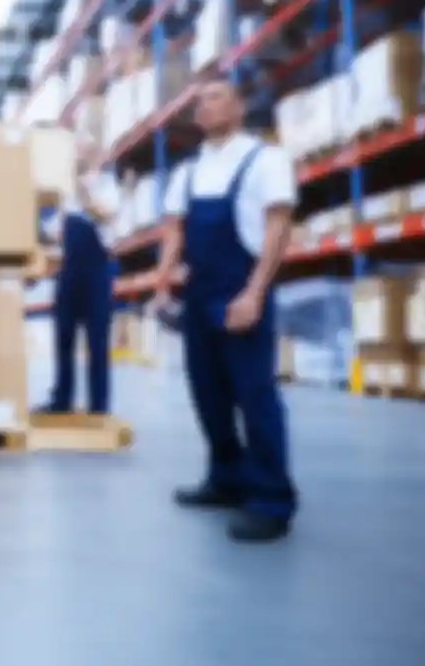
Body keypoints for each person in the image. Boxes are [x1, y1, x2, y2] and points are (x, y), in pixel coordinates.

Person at [153, 76, 298, 543]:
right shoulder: (188, 172)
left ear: (239, 107)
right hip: (199, 294)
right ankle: (226, 479)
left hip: (240, 288)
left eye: (214, 98)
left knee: (255, 397)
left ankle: (272, 499)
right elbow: (174, 232)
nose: (203, 108)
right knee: (208, 395)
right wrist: (162, 285)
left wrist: (255, 292)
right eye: (197, 102)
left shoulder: (266, 160)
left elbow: (278, 227)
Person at [36, 136, 120, 415]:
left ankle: (99, 406)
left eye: (83, 149)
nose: (77, 154)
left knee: (97, 340)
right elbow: (53, 234)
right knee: (64, 336)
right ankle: (62, 400)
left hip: (97, 271)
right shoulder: (66, 194)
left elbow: (105, 215)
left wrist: (84, 195)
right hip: (69, 271)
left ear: (97, 153)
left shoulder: (107, 185)